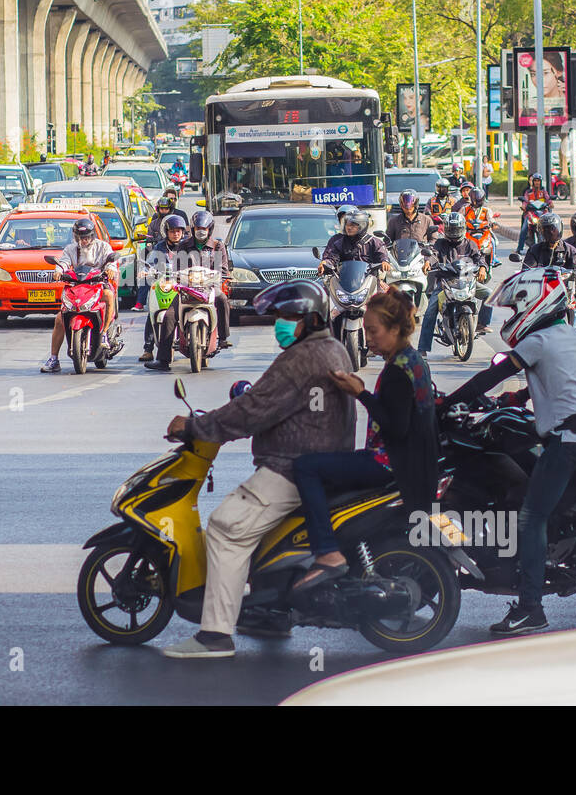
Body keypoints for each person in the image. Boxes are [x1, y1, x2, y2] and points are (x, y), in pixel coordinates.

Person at [161, 280, 357, 658]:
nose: (280, 324)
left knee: (226, 528)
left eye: (287, 317)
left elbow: (253, 410)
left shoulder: (301, 360)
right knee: (259, 535)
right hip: (316, 462)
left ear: (309, 319)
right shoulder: (332, 349)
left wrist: (195, 427)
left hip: (291, 469)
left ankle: (215, 635)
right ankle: (268, 614)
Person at [444, 267, 576, 635]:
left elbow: (490, 376)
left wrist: (447, 403)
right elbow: (566, 380)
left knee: (530, 517)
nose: (511, 317)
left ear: (533, 304)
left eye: (514, 309)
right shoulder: (571, 335)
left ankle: (530, 608)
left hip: (573, 439)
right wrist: (520, 396)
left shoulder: (536, 342)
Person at [289, 287, 439, 591]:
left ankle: (326, 551)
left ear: (395, 330)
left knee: (305, 467)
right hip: (412, 461)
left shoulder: (399, 370)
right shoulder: (412, 360)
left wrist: (360, 393)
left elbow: (395, 426)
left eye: (373, 331)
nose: (368, 338)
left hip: (390, 463)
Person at [146, 210, 231, 369]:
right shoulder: (184, 246)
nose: (200, 231)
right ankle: (163, 360)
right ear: (192, 229)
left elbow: (223, 270)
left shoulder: (218, 246)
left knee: (223, 299)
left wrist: (221, 277)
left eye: (204, 228)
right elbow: (177, 269)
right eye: (198, 227)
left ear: (209, 229)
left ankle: (224, 337)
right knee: (169, 315)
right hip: (187, 290)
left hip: (209, 288)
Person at [41, 218, 118, 373]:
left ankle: (104, 333)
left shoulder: (103, 247)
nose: (84, 240)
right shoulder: (70, 249)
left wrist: (110, 268)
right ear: (75, 237)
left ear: (92, 235)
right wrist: (58, 271)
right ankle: (54, 359)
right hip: (77, 286)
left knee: (109, 295)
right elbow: (63, 262)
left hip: (98, 284)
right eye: (80, 237)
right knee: (59, 319)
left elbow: (111, 261)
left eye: (87, 237)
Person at [419, 212, 492, 355]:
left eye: (456, 229)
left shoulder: (470, 244)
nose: (454, 232)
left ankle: (482, 324)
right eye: (451, 229)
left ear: (463, 228)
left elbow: (479, 257)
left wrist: (483, 268)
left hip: (468, 282)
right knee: (429, 312)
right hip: (445, 283)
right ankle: (422, 348)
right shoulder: (440, 243)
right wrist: (428, 262)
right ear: (446, 229)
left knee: (490, 294)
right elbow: (433, 254)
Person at [319, 207, 389, 335]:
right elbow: (331, 257)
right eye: (347, 224)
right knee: (326, 310)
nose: (348, 227)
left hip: (368, 282)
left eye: (353, 225)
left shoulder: (374, 242)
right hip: (344, 283)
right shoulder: (338, 242)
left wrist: (384, 262)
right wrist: (325, 263)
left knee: (388, 307)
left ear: (362, 226)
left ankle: (386, 344)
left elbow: (382, 255)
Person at [140, 212, 187, 361]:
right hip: (163, 283)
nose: (175, 234)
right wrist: (146, 271)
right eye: (172, 231)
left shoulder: (187, 245)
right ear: (166, 233)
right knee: (152, 311)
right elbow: (151, 261)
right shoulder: (160, 247)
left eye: (178, 231)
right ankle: (148, 348)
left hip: (182, 284)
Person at [135, 196, 178, 312]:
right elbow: (148, 240)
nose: (164, 211)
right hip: (158, 254)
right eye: (162, 209)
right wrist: (150, 244)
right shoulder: (153, 223)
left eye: (166, 209)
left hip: (174, 255)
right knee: (146, 274)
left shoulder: (175, 221)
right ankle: (140, 302)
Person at [516, 172, 553, 254]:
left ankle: (552, 244)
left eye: (538, 181)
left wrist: (550, 203)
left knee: (552, 226)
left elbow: (548, 199)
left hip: (543, 214)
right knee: (524, 229)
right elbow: (525, 201)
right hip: (531, 214)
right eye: (535, 181)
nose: (537, 182)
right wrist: (524, 206)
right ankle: (519, 248)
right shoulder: (528, 192)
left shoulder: (543, 191)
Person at [463, 187, 499, 266]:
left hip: (484, 232)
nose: (476, 202)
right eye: (475, 199)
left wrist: (493, 223)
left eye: (478, 199)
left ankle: (493, 260)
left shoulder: (486, 210)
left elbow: (491, 219)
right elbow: (460, 218)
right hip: (469, 233)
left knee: (492, 241)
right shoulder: (465, 209)